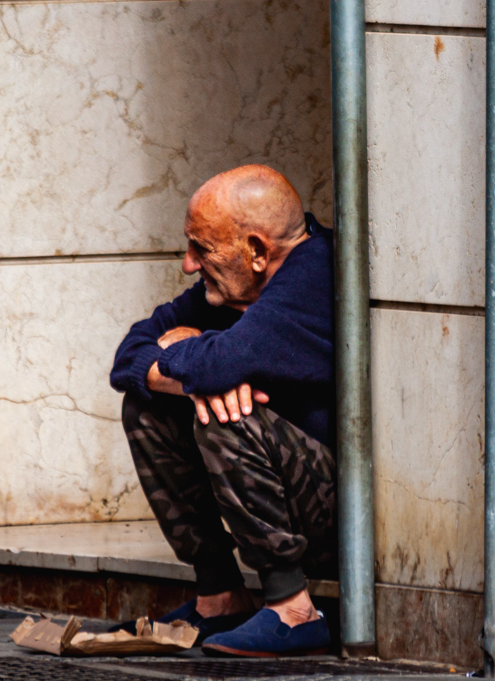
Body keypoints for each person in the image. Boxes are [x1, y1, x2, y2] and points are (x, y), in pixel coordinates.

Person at [110, 165, 336, 657]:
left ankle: (293, 610)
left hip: (345, 518)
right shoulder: (232, 286)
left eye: (201, 249)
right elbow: (129, 354)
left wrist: (198, 357)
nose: (189, 264)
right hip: (290, 500)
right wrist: (188, 369)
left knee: (228, 415)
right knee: (148, 410)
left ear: (256, 250)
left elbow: (218, 366)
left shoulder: (315, 273)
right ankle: (220, 598)